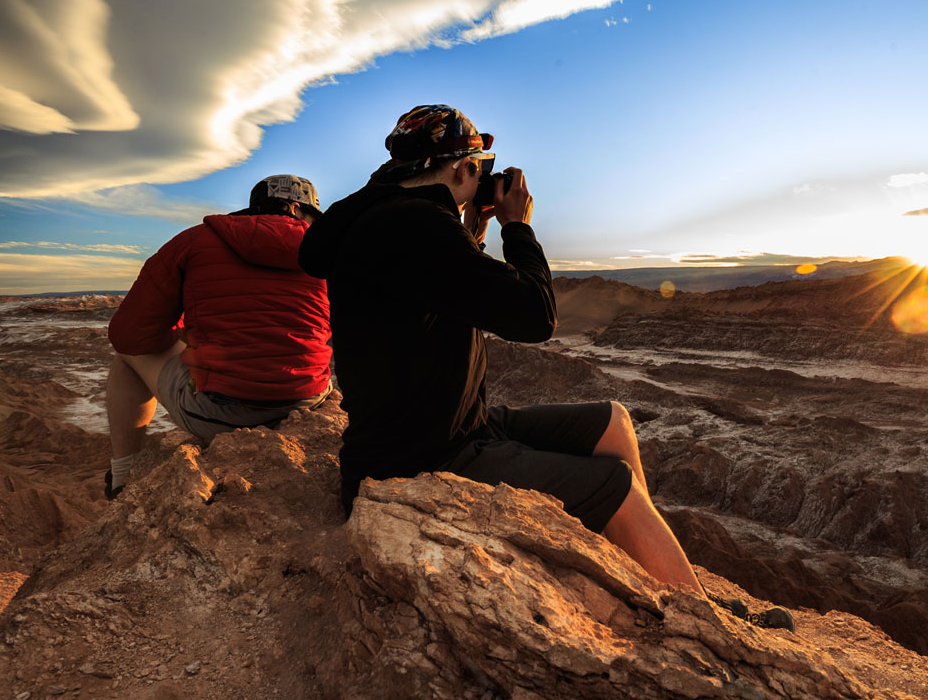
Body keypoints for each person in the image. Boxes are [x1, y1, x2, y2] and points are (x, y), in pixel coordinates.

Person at [298, 105, 793, 631]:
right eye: (481, 166)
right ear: (462, 169)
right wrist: (517, 227)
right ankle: (705, 623)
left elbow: (443, 287)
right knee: (616, 485)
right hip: (426, 454)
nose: (485, 176)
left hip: (457, 424)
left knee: (612, 421)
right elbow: (536, 317)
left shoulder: (386, 220)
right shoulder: (419, 226)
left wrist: (470, 228)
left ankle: (639, 564)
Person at [104, 175, 333, 499]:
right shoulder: (330, 250)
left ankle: (122, 479)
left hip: (221, 414)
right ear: (296, 209)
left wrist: (181, 339)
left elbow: (127, 335)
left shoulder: (194, 241)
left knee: (125, 358)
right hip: (310, 399)